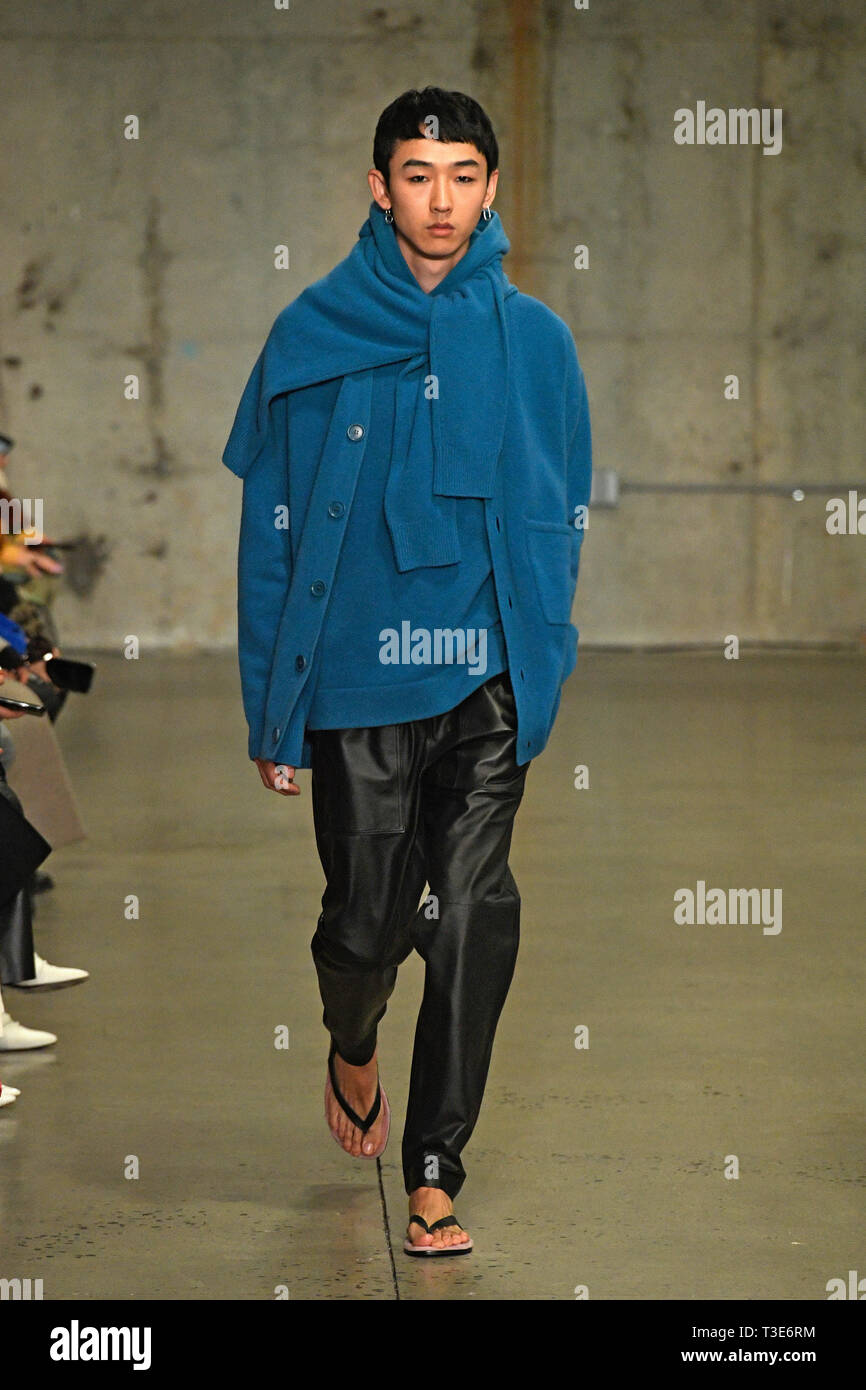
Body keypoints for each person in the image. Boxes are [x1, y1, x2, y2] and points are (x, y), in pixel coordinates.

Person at [223, 87, 592, 1256]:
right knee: (364, 926)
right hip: (355, 680)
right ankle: (350, 1039)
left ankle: (435, 1167)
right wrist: (272, 707)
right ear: (378, 187)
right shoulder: (314, 331)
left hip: (481, 675)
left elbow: (560, 504)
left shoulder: (533, 339)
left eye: (464, 176)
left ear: (490, 187)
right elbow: (272, 533)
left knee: (475, 914)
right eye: (418, 176)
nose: (442, 201)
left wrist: (538, 651)